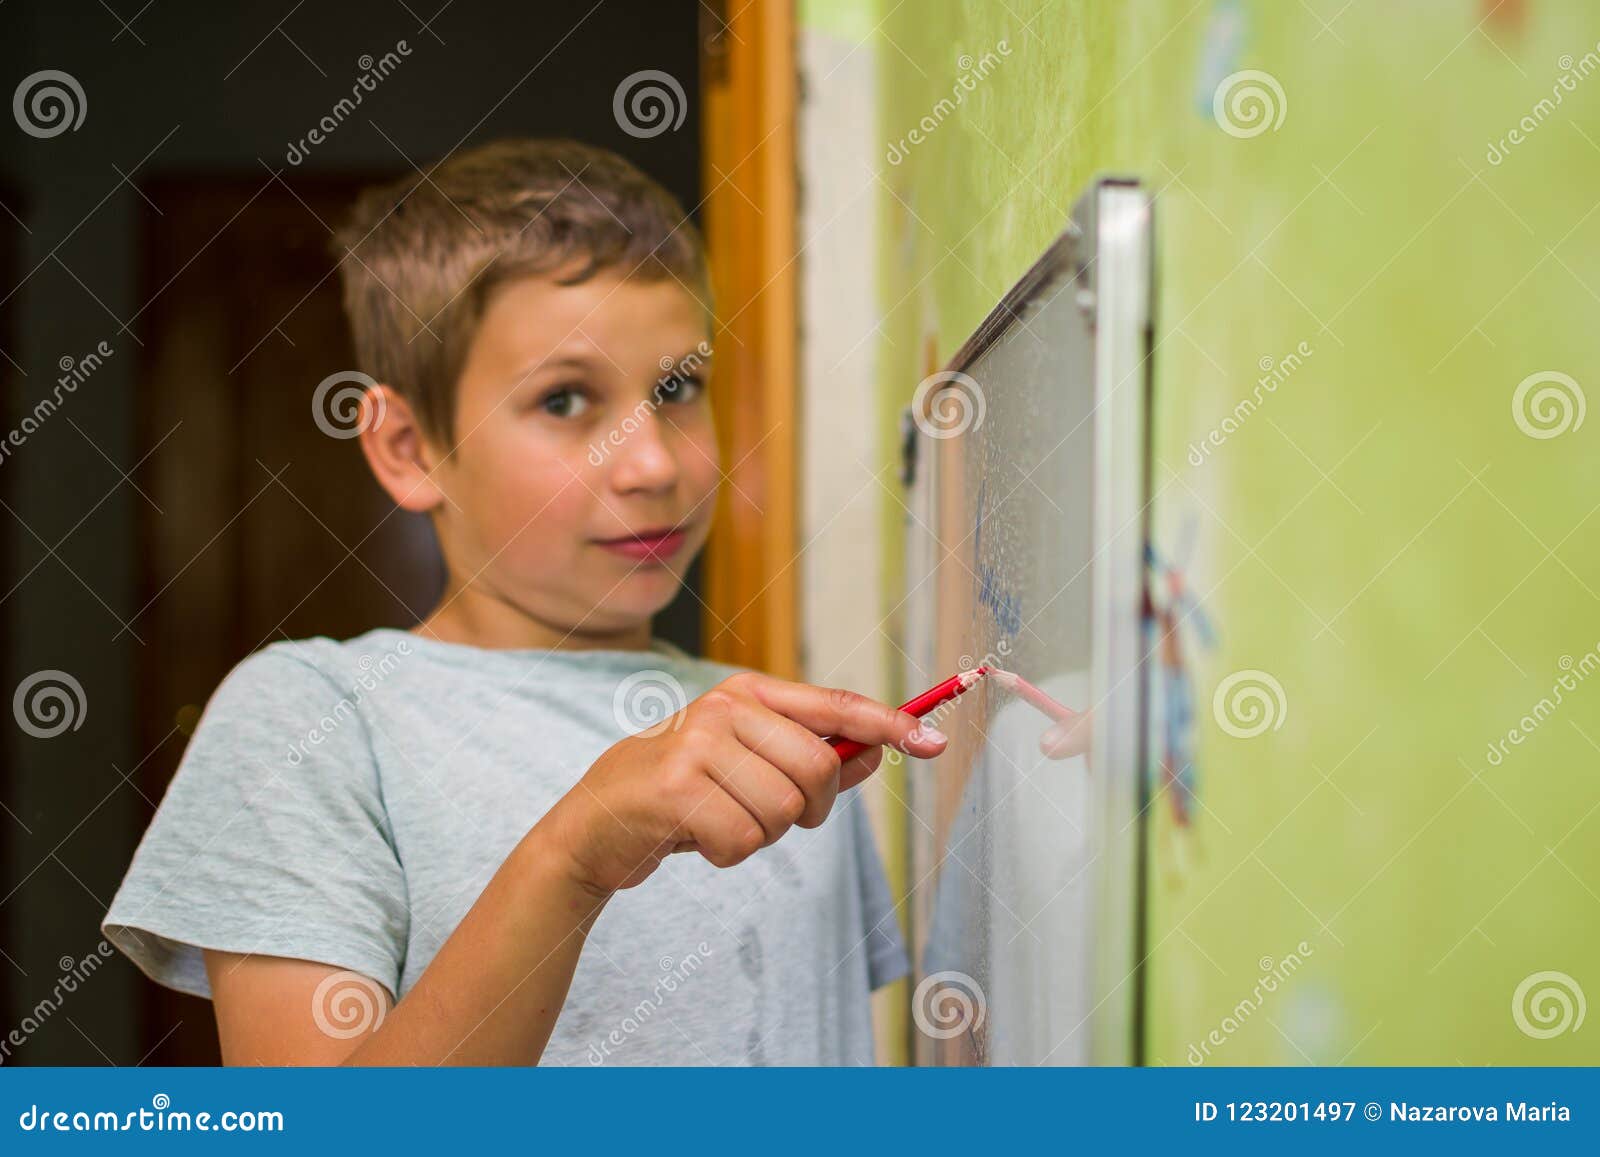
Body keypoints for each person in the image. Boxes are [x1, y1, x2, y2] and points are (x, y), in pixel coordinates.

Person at [102, 139, 947, 1066]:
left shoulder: (766, 725)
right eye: (564, 400)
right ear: (409, 448)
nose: (654, 463)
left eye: (678, 388)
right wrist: (571, 857)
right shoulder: (312, 718)